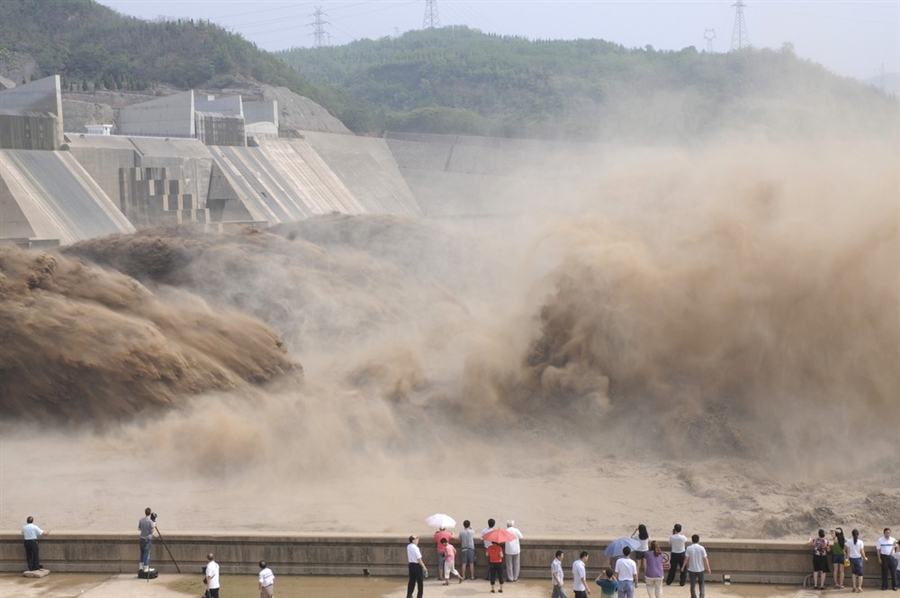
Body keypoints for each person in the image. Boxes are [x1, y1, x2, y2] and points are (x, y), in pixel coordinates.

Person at [846, 528, 868, 593]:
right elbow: (862, 551)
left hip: (851, 558)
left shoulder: (849, 541)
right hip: (858, 558)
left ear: (852, 534)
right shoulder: (860, 542)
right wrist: (865, 557)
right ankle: (859, 587)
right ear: (858, 534)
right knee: (860, 574)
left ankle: (854, 586)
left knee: (853, 573)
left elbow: (848, 551)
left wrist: (847, 558)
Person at [138, 507, 156, 572]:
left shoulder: (141, 520)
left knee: (142, 553)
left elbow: (139, 529)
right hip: (147, 540)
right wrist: (154, 524)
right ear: (150, 513)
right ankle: (146, 567)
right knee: (147, 553)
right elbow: (152, 531)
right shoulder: (150, 522)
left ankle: (141, 566)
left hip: (141, 539)